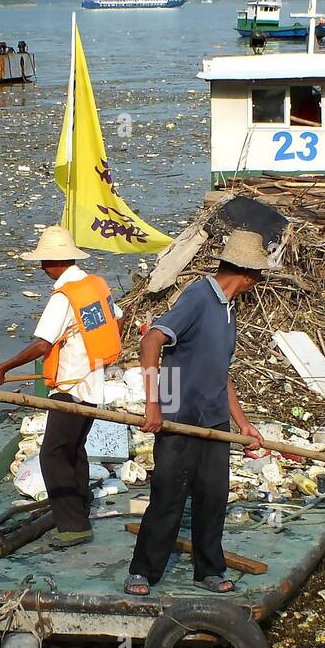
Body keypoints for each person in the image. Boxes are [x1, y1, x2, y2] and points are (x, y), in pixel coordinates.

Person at [124, 230, 267, 596]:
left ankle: (209, 569)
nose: (259, 282)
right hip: (177, 414)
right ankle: (143, 570)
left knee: (213, 496)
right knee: (168, 495)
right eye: (259, 275)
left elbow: (223, 373)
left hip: (214, 420)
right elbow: (151, 340)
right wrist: (154, 404)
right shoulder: (199, 297)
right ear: (248, 274)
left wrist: (244, 423)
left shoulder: (229, 310)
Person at [0, 225, 122, 548]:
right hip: (92, 385)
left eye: (44, 261)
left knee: (53, 454)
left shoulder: (64, 297)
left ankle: (73, 527)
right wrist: (101, 357)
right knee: (73, 450)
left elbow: (43, 345)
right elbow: (118, 319)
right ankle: (80, 506)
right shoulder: (94, 285)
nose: (42, 268)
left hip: (71, 388)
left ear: (52, 262)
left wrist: (2, 368)